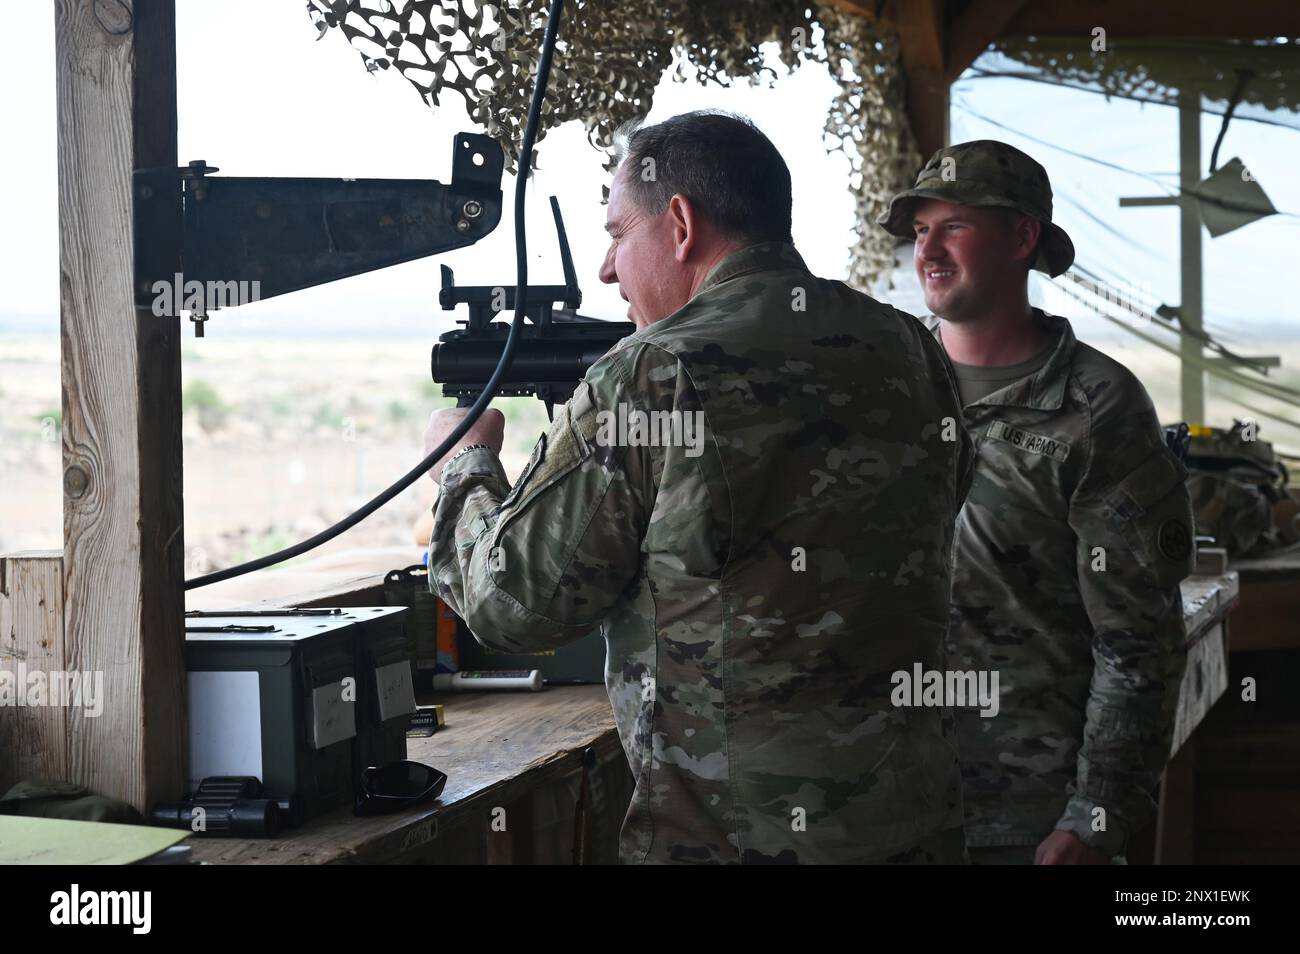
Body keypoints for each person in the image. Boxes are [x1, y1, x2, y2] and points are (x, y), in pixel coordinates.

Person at [423, 110, 973, 864]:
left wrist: (464, 464)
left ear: (680, 223)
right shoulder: (913, 347)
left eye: (618, 234)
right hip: (915, 830)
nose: (607, 270)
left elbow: (514, 603)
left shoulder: (651, 372)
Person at [878, 139, 1194, 864]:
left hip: (1028, 820)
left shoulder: (1098, 406)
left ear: (1022, 237)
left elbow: (1138, 638)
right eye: (920, 229)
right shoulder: (883, 387)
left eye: (952, 225)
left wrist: (1098, 813)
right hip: (881, 805)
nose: (927, 248)